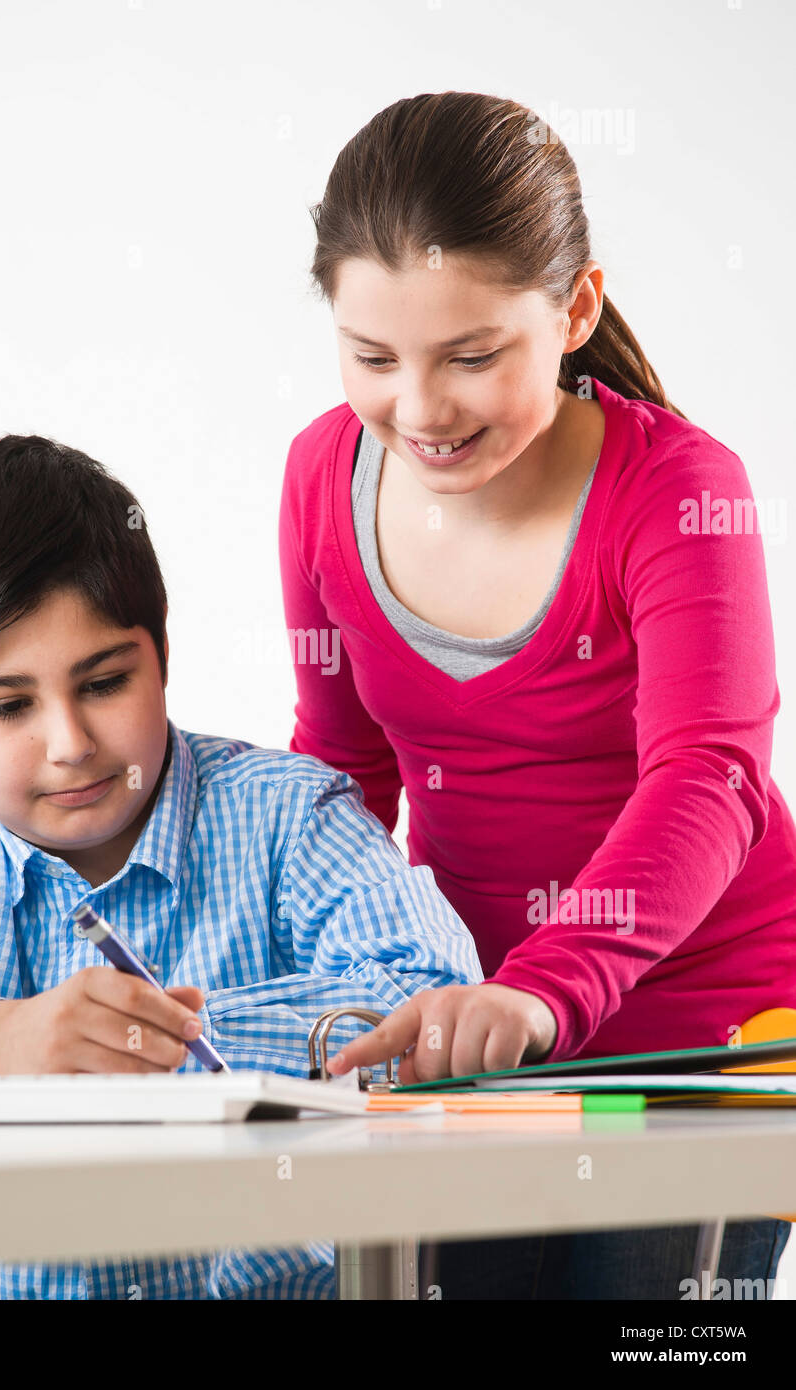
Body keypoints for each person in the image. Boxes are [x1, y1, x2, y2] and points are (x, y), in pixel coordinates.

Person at [278, 90, 795, 1298]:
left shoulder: (676, 491)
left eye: (469, 357)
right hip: (474, 1033)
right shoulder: (319, 479)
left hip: (701, 1038)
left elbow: (708, 779)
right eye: (371, 358)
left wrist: (540, 990)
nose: (417, 410)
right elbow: (339, 775)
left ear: (573, 310)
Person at [0, 434, 482, 1300]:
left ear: (160, 651)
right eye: (6, 705)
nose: (71, 745)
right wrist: (4, 1041)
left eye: (106, 682)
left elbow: (425, 987)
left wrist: (151, 1046)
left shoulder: (286, 814)